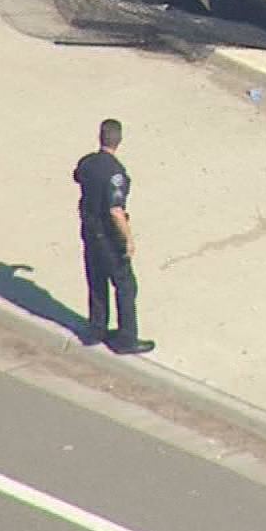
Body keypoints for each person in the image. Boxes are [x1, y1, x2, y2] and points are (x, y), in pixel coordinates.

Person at [75, 118, 154, 355]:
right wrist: (128, 239)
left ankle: (96, 329)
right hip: (109, 237)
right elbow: (115, 211)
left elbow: (78, 177)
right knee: (125, 286)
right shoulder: (115, 173)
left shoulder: (87, 162)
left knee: (96, 279)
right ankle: (126, 339)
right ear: (118, 141)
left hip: (89, 231)